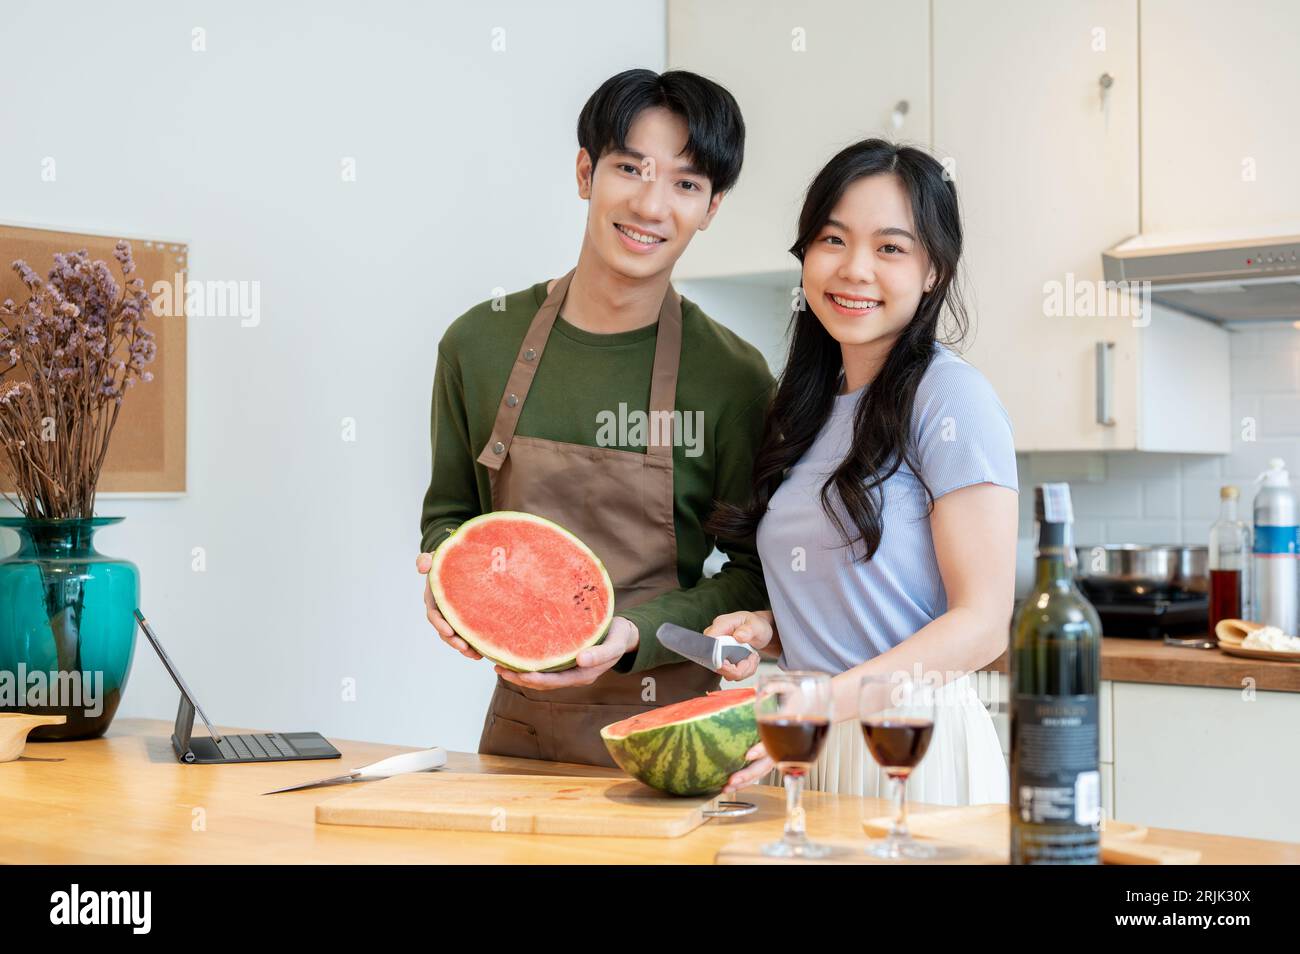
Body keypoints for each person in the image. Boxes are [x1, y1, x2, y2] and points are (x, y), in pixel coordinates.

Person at [416, 69, 773, 767]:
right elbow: (450, 513)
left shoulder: (734, 378)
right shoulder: (477, 344)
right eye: (630, 167)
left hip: (674, 735)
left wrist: (632, 631)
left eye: (685, 183)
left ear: (712, 207)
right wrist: (444, 581)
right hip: (519, 737)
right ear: (586, 172)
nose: (650, 203)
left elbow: (757, 578)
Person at [705, 138, 1017, 805]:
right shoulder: (806, 407)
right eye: (832, 239)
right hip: (813, 741)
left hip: (908, 742)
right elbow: (874, 601)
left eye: (891, 248)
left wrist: (825, 699)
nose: (853, 269)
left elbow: (984, 622)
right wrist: (772, 627)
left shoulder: (949, 396)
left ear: (934, 270)